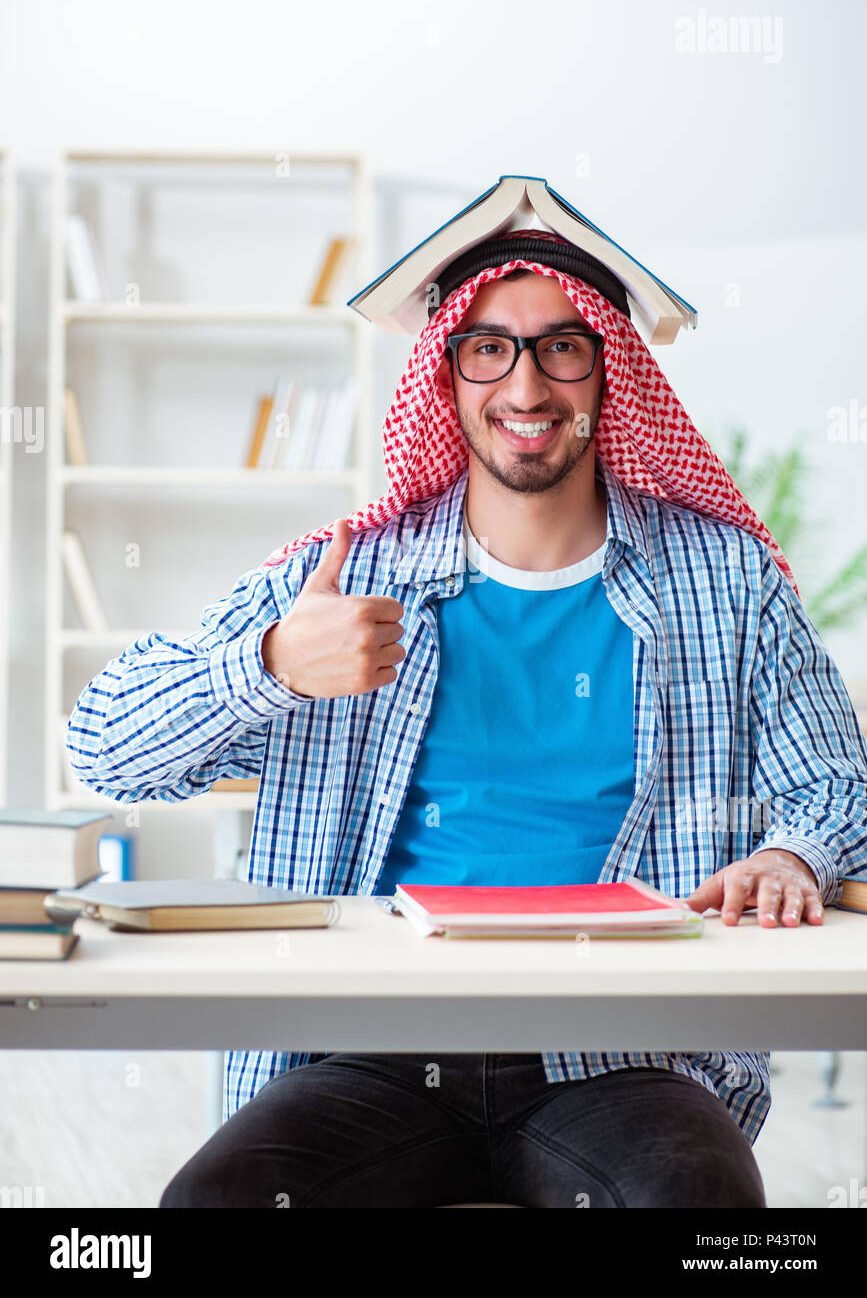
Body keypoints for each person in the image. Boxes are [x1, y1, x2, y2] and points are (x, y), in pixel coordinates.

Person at [68, 225, 867, 1208]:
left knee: (702, 1216)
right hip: (374, 1042)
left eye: (560, 346)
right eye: (489, 347)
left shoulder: (726, 581)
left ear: (609, 369)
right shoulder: (343, 573)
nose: (526, 388)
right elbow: (102, 747)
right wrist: (270, 663)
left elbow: (836, 785)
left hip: (624, 1053)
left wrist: (793, 856)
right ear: (446, 375)